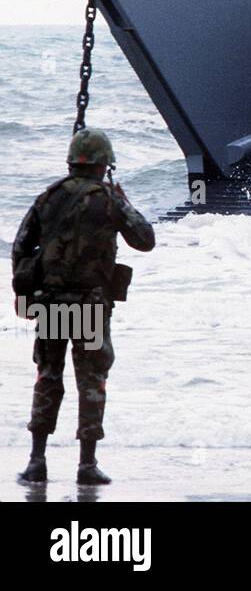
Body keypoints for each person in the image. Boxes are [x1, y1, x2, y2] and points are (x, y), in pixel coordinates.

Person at [11, 128, 156, 485]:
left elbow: (19, 247)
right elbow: (145, 240)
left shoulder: (48, 198)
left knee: (48, 377)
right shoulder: (108, 199)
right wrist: (126, 201)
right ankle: (87, 465)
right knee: (91, 381)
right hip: (89, 307)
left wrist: (26, 293)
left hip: (51, 304)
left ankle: (37, 461)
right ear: (104, 165)